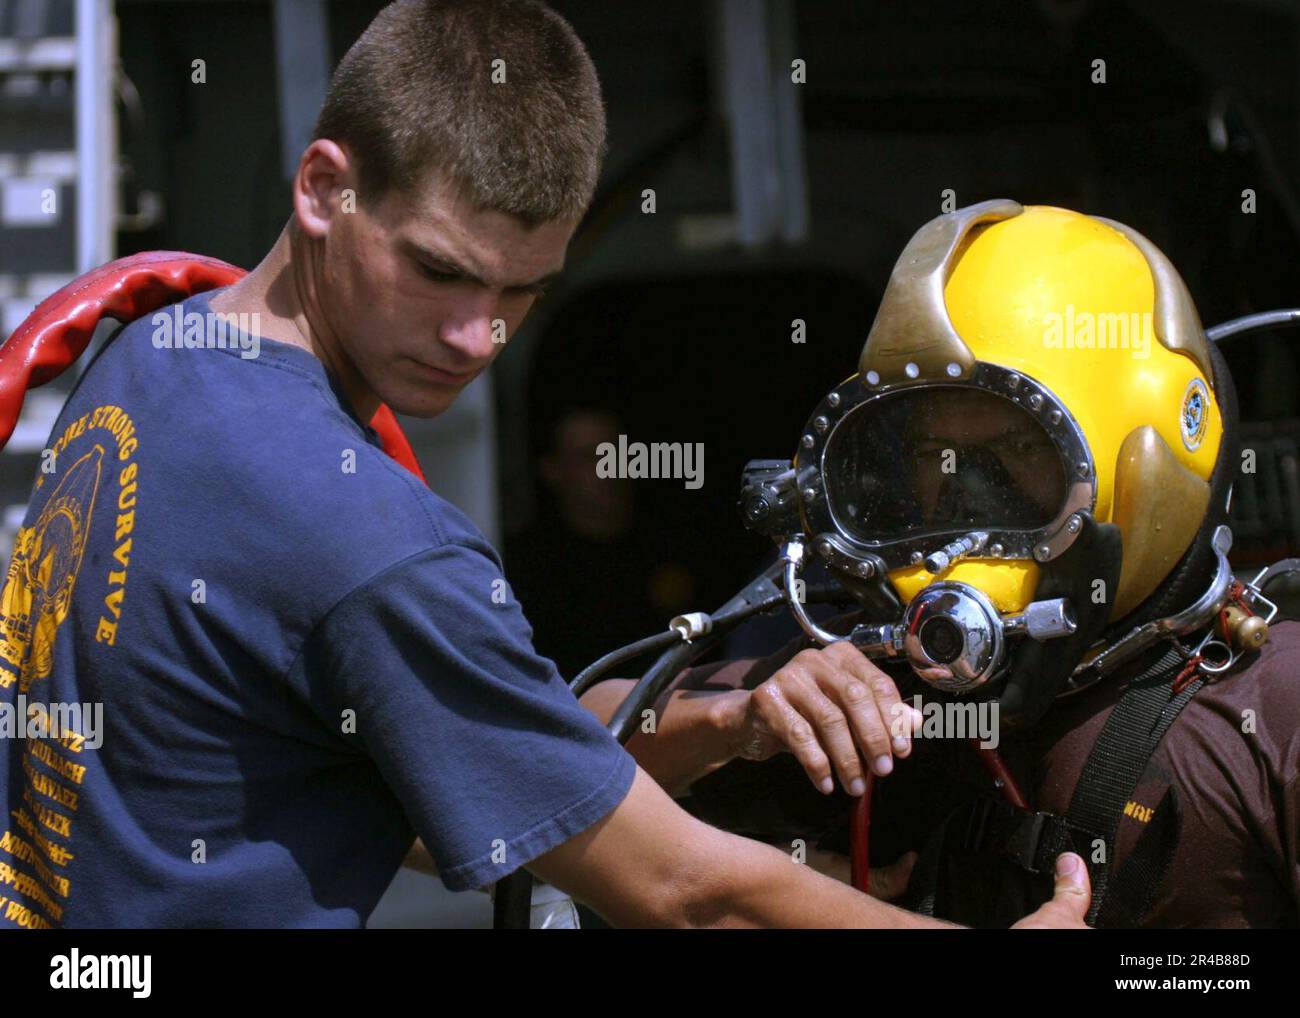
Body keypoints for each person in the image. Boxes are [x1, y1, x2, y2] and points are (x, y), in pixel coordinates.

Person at [0, 2, 1087, 929]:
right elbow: (681, 890)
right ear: (325, 186)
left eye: (523, 292)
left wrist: (730, 714)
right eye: (440, 271)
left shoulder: (157, 350)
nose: (477, 338)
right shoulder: (366, 542)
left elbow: (441, 779)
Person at [584, 201, 1300, 928]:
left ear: (1148, 456)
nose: (966, 497)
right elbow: (558, 756)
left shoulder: (1272, 713)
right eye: (935, 455)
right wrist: (738, 719)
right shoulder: (877, 690)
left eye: (1021, 449)